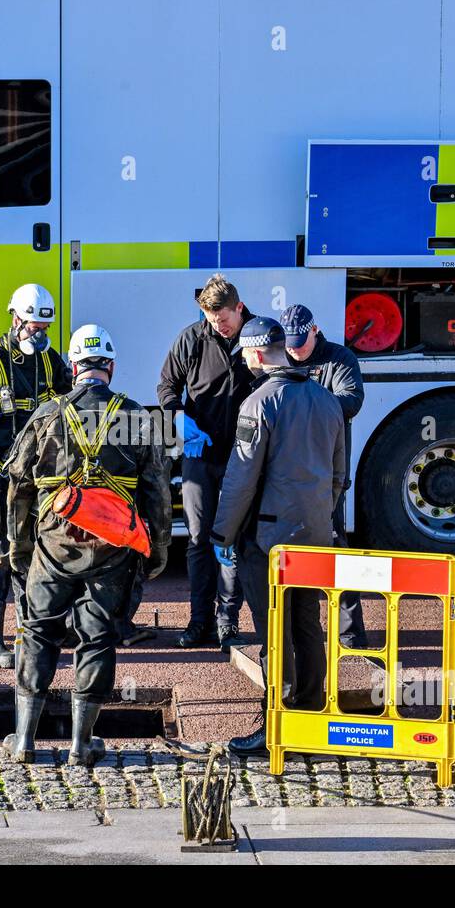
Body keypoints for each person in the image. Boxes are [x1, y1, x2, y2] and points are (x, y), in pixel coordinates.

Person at [5, 324, 172, 766]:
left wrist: (20, 550)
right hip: (112, 552)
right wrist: (156, 552)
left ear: (74, 367)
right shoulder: (138, 418)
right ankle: (81, 744)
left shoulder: (45, 415)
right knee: (97, 639)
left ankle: (23, 739)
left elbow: (18, 488)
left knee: (37, 631)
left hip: (53, 547)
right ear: (111, 368)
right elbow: (157, 493)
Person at [210, 316, 346, 757]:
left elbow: (240, 478)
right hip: (316, 532)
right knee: (307, 622)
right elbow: (339, 475)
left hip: (269, 540)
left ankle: (276, 725)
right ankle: (310, 717)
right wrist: (321, 519)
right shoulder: (328, 401)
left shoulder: (259, 403)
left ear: (255, 353)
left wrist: (222, 532)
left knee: (274, 630)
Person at [0, 284, 72, 669]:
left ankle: (29, 634)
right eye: (33, 326)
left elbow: (67, 412)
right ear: (15, 318)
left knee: (31, 551)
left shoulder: (51, 363)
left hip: (34, 478)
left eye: (44, 327)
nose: (39, 334)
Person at [157, 273, 254, 650]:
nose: (218, 326)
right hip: (199, 457)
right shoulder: (192, 338)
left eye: (224, 319)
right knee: (198, 540)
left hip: (242, 458)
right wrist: (179, 417)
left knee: (231, 541)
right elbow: (166, 385)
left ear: (239, 308)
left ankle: (227, 622)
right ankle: (199, 622)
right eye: (211, 320)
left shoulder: (257, 336)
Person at [279, 304, 369, 650]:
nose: (294, 351)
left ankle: (350, 633)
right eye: (289, 345)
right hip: (287, 473)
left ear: (314, 330)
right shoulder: (282, 355)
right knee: (285, 549)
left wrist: (304, 403)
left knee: (334, 544)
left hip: (327, 472)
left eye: (300, 343)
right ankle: (289, 631)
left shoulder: (339, 358)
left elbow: (352, 400)